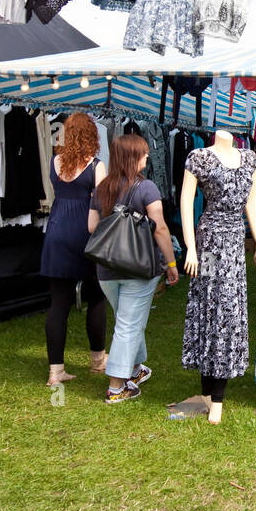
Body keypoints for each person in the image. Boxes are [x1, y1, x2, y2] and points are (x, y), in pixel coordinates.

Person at [88, 134, 180, 403]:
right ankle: (117, 387)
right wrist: (171, 263)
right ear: (132, 157)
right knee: (128, 325)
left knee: (127, 320)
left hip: (106, 268)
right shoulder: (146, 188)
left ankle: (136, 369)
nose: (148, 157)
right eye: (144, 153)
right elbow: (160, 228)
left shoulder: (102, 188)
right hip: (139, 268)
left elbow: (92, 227)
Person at [40, 113, 109, 386]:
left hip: (57, 232)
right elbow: (102, 205)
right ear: (91, 137)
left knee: (58, 304)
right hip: (86, 235)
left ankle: (55, 370)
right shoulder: (96, 166)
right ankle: (97, 360)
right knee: (97, 298)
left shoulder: (54, 162)